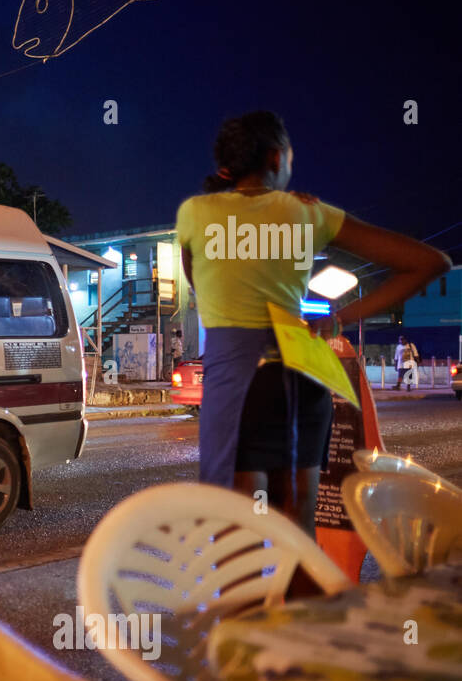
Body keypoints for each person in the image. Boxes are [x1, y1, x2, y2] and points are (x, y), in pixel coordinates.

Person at [177, 111, 448, 535]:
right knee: (299, 523)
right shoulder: (308, 213)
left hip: (237, 385)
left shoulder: (194, 213)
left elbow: (198, 285)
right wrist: (338, 319)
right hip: (301, 373)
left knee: (236, 531)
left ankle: (247, 600)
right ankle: (300, 596)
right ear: (274, 157)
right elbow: (429, 262)